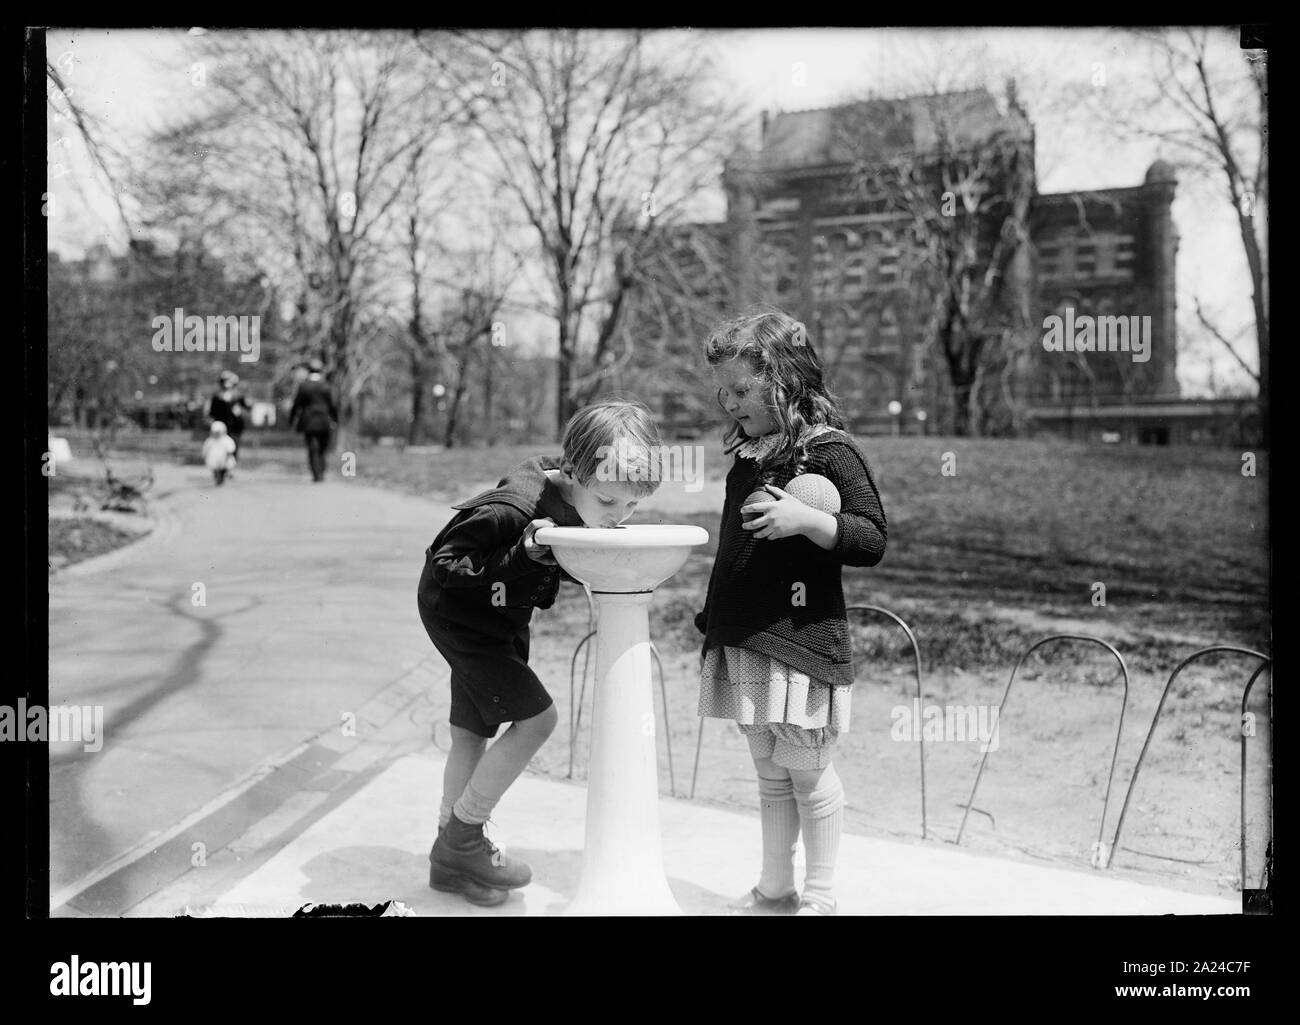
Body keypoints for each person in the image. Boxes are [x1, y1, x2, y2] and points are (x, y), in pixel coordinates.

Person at [418, 400, 663, 907]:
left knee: (471, 731)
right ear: (572, 471)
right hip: (463, 618)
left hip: (498, 620)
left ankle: (448, 860)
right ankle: (463, 838)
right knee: (537, 721)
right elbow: (445, 562)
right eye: (608, 502)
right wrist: (521, 556)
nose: (617, 517)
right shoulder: (512, 509)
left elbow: (565, 556)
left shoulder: (577, 490)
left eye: (630, 506)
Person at [693, 306, 888, 916]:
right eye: (724, 392)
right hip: (747, 638)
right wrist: (713, 619)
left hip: (800, 643)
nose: (730, 403)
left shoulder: (831, 452)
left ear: (785, 379)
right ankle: (775, 889)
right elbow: (733, 546)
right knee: (770, 775)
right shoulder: (748, 457)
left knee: (807, 770)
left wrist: (808, 520)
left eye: (742, 389)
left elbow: (871, 538)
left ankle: (821, 897)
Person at [288, 359, 338, 482]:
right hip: (324, 421)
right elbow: (332, 405)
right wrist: (335, 419)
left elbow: (297, 405)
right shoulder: (326, 385)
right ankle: (321, 470)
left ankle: (316, 473)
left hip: (308, 421)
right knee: (322, 448)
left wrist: (292, 420)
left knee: (312, 448)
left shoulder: (304, 386)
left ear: (309, 371)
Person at [206, 371, 249, 457]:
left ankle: (232, 462)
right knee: (220, 448)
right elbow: (212, 413)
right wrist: (212, 423)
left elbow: (247, 408)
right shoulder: (217, 397)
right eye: (224, 381)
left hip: (235, 427)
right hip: (222, 427)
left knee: (233, 447)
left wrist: (239, 411)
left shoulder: (238, 396)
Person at [202, 421, 237, 485]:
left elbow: (231, 449)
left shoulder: (226, 440)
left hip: (224, 459)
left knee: (224, 468)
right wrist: (204, 455)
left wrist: (228, 456)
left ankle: (222, 476)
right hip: (213, 459)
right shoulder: (210, 440)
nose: (216, 434)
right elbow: (206, 448)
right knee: (214, 468)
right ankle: (217, 476)